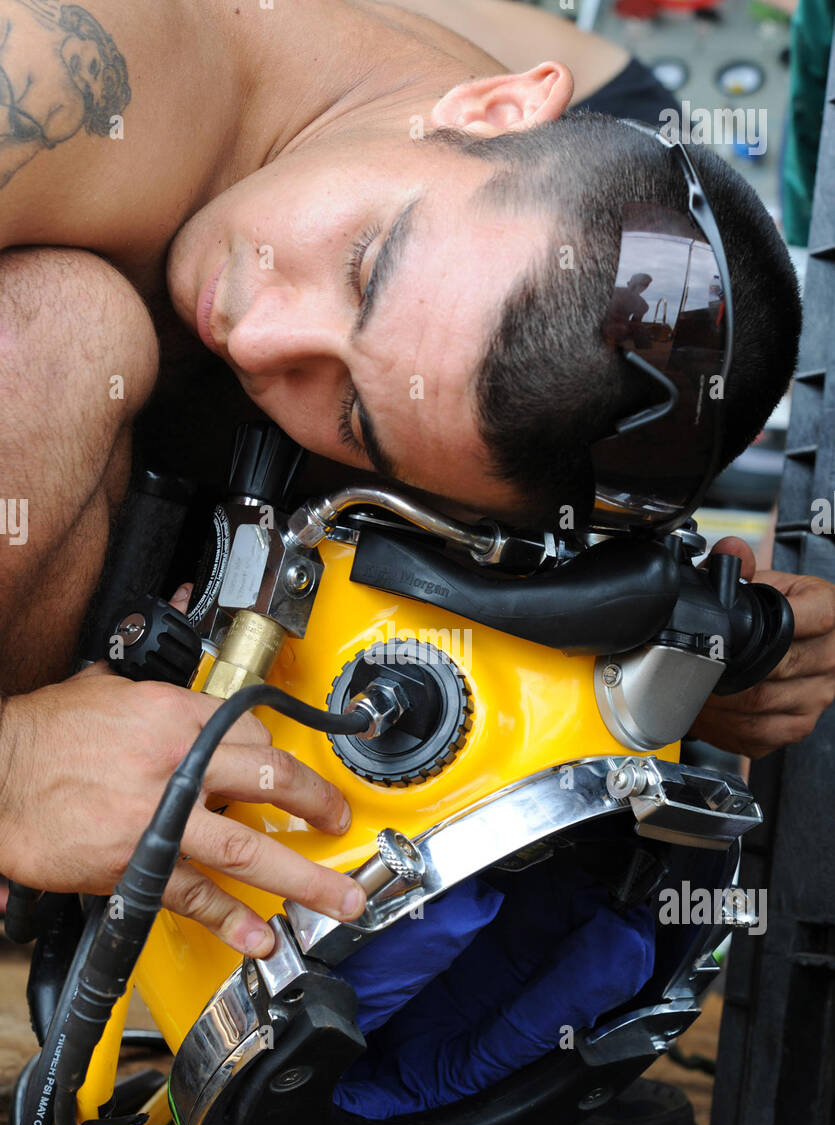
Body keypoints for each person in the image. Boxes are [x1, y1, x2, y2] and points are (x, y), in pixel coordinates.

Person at [0, 0, 829, 965]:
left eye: (354, 412)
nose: (260, 333)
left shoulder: (509, 323)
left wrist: (662, 664)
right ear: (492, 107)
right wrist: (16, 767)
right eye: (365, 266)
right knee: (55, 336)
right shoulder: (60, 71)